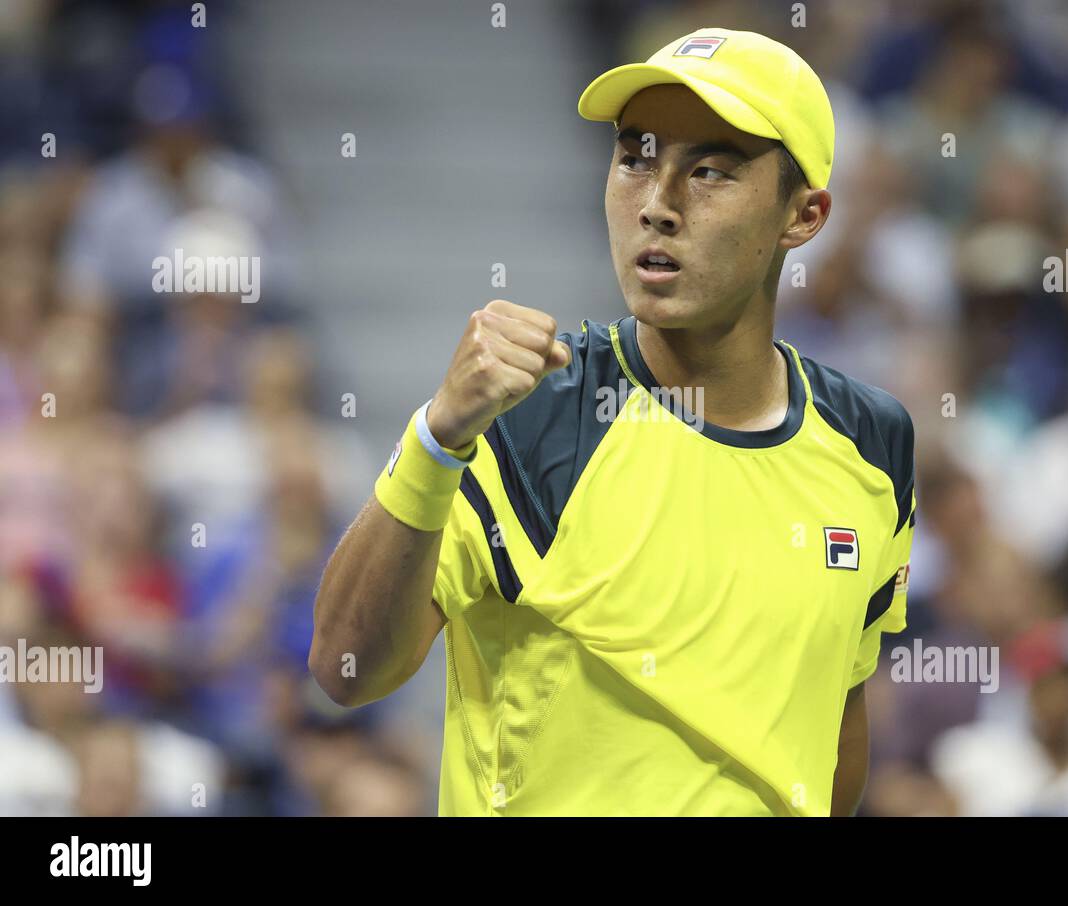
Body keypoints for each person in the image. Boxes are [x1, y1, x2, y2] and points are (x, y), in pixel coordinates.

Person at [310, 28, 916, 817]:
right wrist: (437, 438)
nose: (657, 205)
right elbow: (346, 669)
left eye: (708, 171)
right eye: (636, 157)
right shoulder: (529, 415)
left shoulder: (875, 443)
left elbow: (833, 726)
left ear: (802, 217)